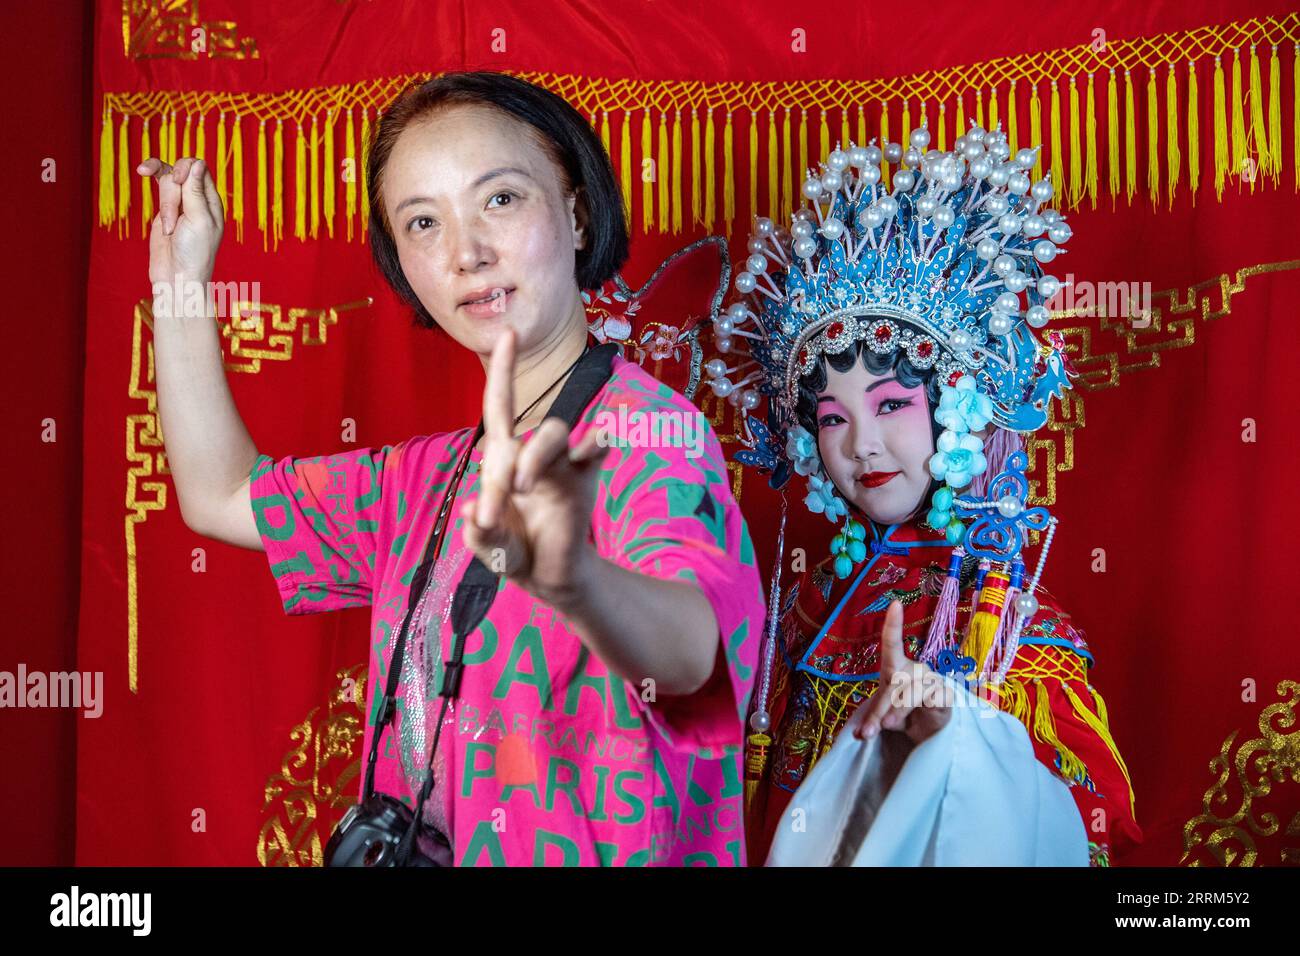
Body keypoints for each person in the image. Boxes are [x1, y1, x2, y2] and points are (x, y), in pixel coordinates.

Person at [137, 70, 766, 866]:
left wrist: (575, 579)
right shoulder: (426, 481)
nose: (467, 253)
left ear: (577, 214)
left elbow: (693, 660)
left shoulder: (648, 437)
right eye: (423, 222)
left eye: (500, 198)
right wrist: (179, 286)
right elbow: (221, 492)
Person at [703, 122, 1142, 865]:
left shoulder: (1001, 624)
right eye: (832, 418)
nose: (862, 444)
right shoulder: (802, 612)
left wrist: (956, 737)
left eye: (891, 405)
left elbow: (1089, 828)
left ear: (955, 413)